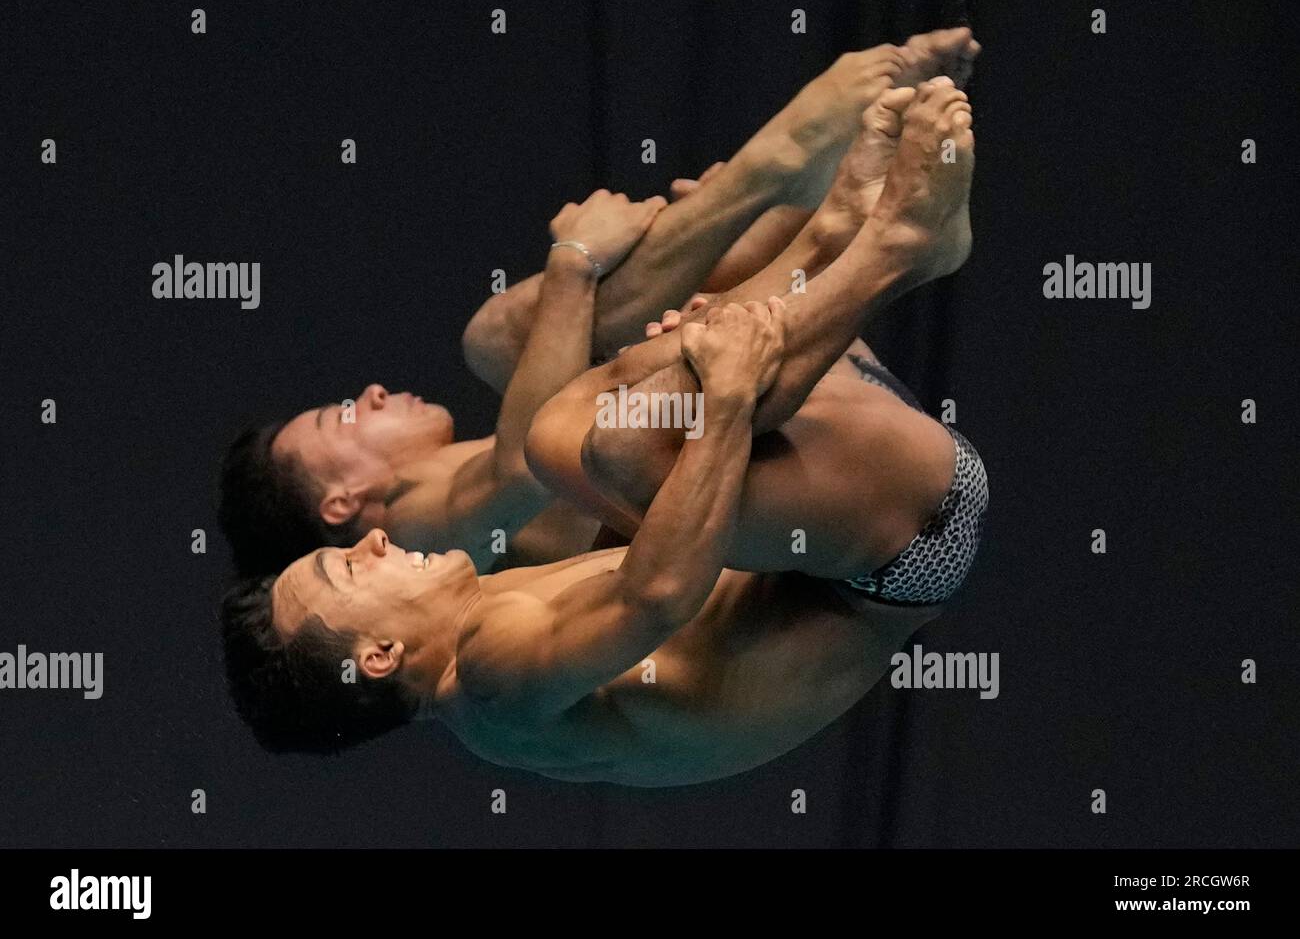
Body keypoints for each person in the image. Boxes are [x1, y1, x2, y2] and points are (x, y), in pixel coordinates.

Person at [220, 77, 988, 786]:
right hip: (907, 543)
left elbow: (644, 559)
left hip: (846, 494)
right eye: (351, 569)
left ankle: (834, 235)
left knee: (561, 435)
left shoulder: (480, 633)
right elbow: (656, 592)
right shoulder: (492, 680)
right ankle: (895, 246)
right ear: (380, 656)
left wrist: (678, 369)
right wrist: (716, 402)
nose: (376, 541)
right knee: (617, 444)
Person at [217, 30, 981, 578]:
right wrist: (574, 260)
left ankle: (818, 207)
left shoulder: (443, 500)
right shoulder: (414, 522)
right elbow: (524, 465)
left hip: (823, 409)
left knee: (501, 340)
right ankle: (792, 188)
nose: (368, 392)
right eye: (340, 418)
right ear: (342, 505)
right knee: (541, 388)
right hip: (877, 516)